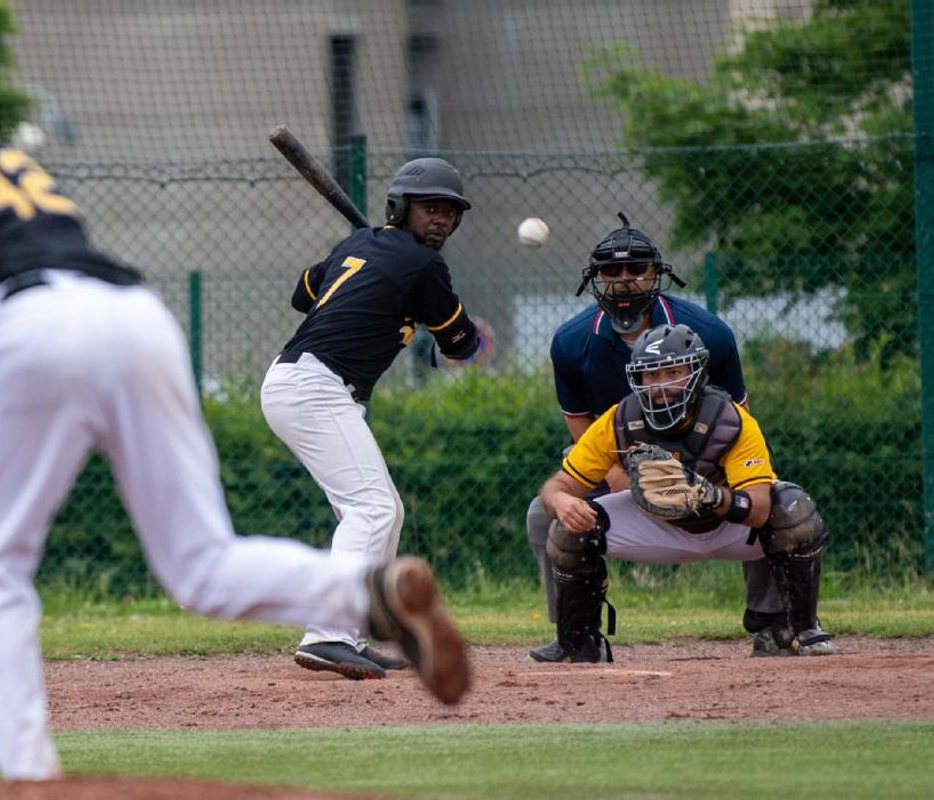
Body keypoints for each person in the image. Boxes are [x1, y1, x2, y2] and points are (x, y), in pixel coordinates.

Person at [0, 35, 470, 781]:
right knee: (201, 562)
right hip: (135, 314)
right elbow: (14, 339)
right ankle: (365, 592)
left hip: (33, 325)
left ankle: (30, 775)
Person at [524, 214, 810, 661]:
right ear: (595, 279)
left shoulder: (709, 334)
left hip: (704, 458)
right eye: (611, 271)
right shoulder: (571, 342)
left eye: (636, 268)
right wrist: (624, 479)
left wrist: (711, 486)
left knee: (784, 505)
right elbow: (581, 434)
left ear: (656, 274)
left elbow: (738, 422)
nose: (624, 280)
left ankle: (774, 624)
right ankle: (574, 633)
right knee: (545, 516)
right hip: (621, 454)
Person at [261, 158, 480, 680]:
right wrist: (397, 269)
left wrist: (369, 252)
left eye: (449, 212)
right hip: (315, 387)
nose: (441, 220)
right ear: (400, 209)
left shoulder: (356, 247)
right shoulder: (421, 265)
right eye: (430, 208)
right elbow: (462, 344)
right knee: (373, 510)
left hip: (306, 385)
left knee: (384, 511)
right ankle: (327, 633)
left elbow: (304, 291)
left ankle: (349, 631)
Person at [537, 323, 834, 663]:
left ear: (696, 373)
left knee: (793, 510)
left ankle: (797, 629)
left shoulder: (730, 420)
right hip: (656, 525)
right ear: (637, 379)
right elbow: (556, 487)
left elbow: (760, 509)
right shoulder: (620, 420)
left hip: (727, 525)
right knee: (568, 529)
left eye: (672, 372)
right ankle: (579, 643)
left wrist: (708, 496)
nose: (660, 385)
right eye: (650, 375)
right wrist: (562, 500)